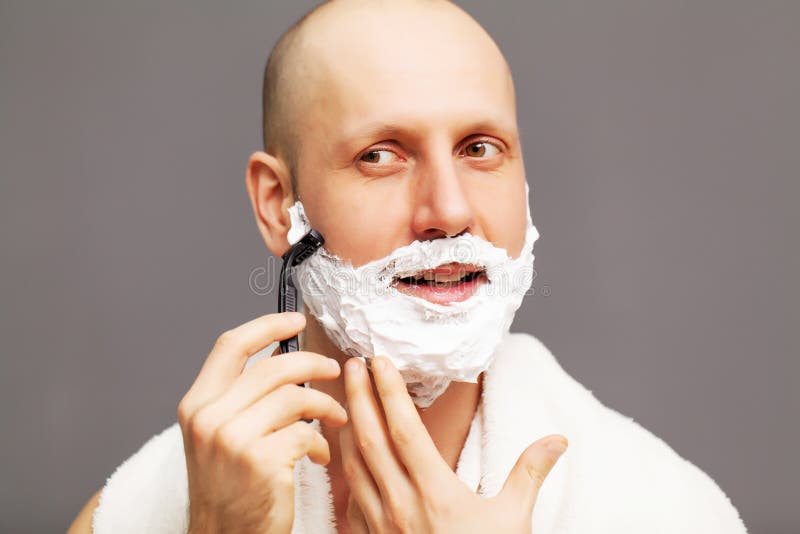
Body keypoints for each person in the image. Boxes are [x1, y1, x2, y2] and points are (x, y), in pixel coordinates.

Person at [69, 1, 748, 532]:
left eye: (479, 149)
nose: (448, 211)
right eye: (380, 156)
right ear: (279, 205)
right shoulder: (136, 516)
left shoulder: (667, 514)